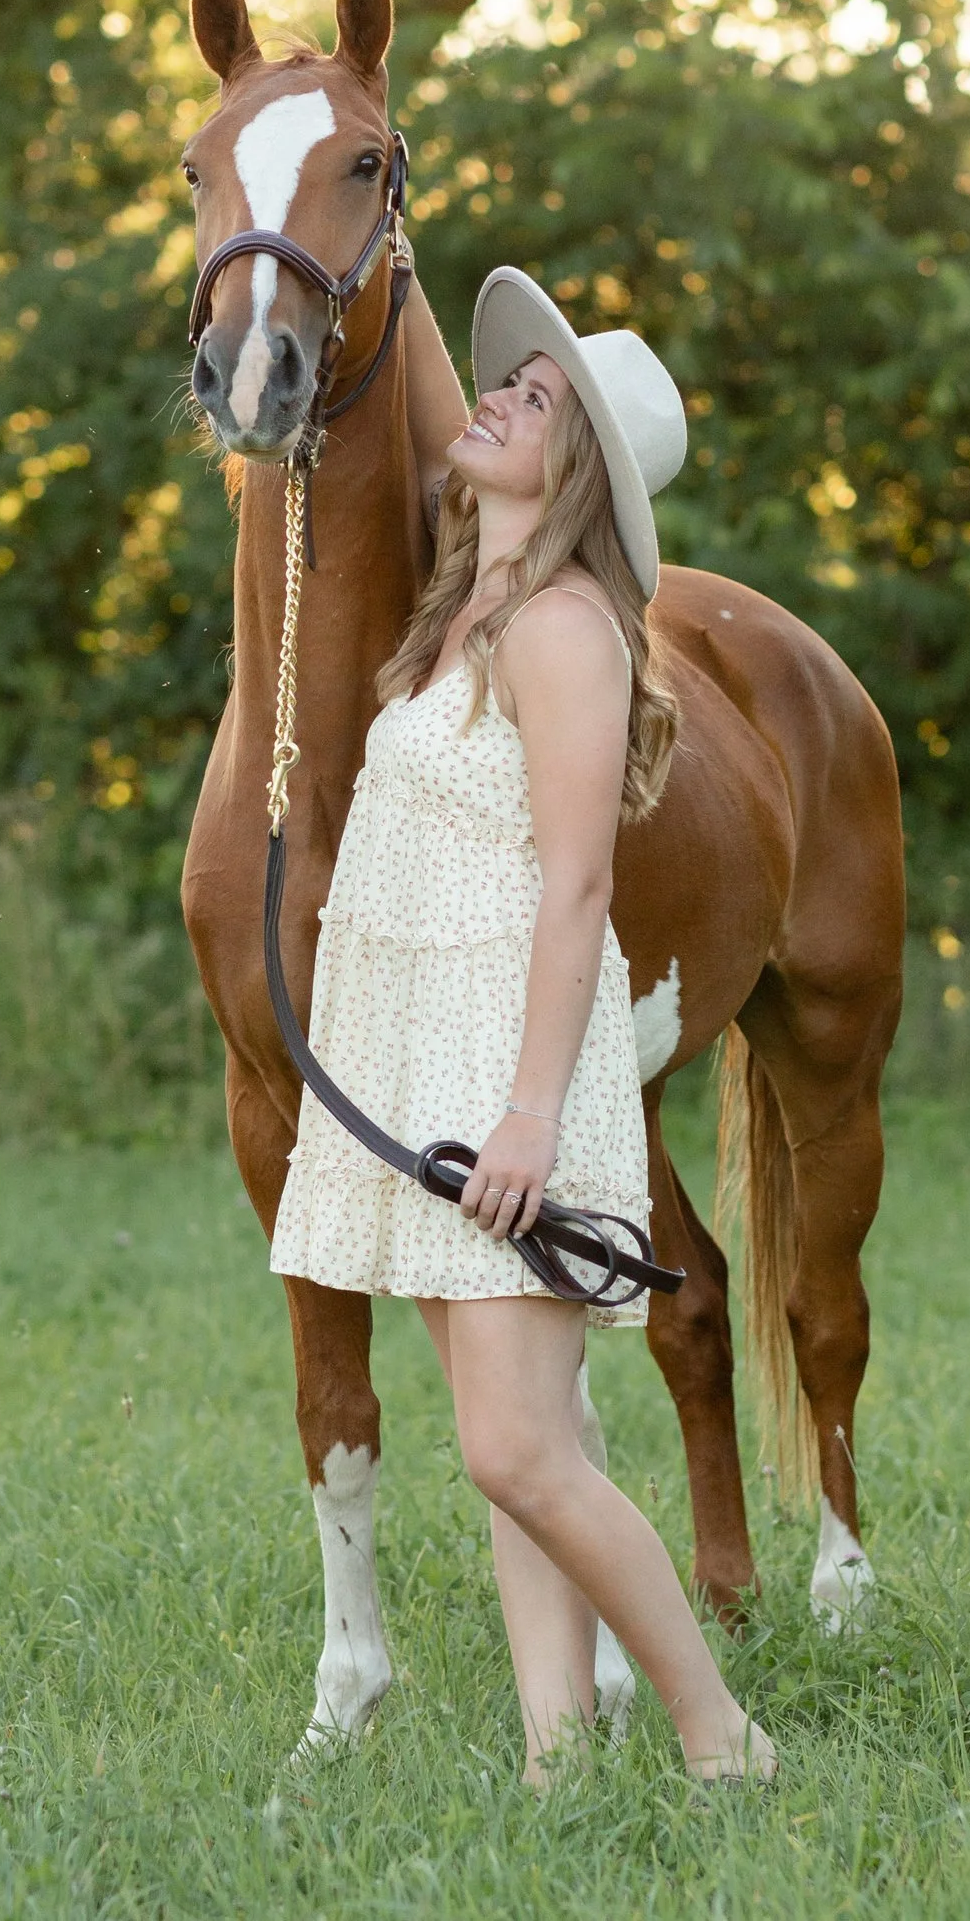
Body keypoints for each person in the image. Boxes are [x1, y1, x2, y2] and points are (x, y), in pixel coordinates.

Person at [271, 268, 776, 1790]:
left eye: (534, 399)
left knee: (517, 1450)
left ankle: (720, 1734)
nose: (495, 395)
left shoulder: (560, 626)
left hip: (508, 1067)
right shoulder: (459, 618)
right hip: (423, 1055)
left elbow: (577, 888)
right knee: (517, 1452)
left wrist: (533, 1116)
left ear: (574, 477)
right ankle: (561, 1762)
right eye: (512, 381)